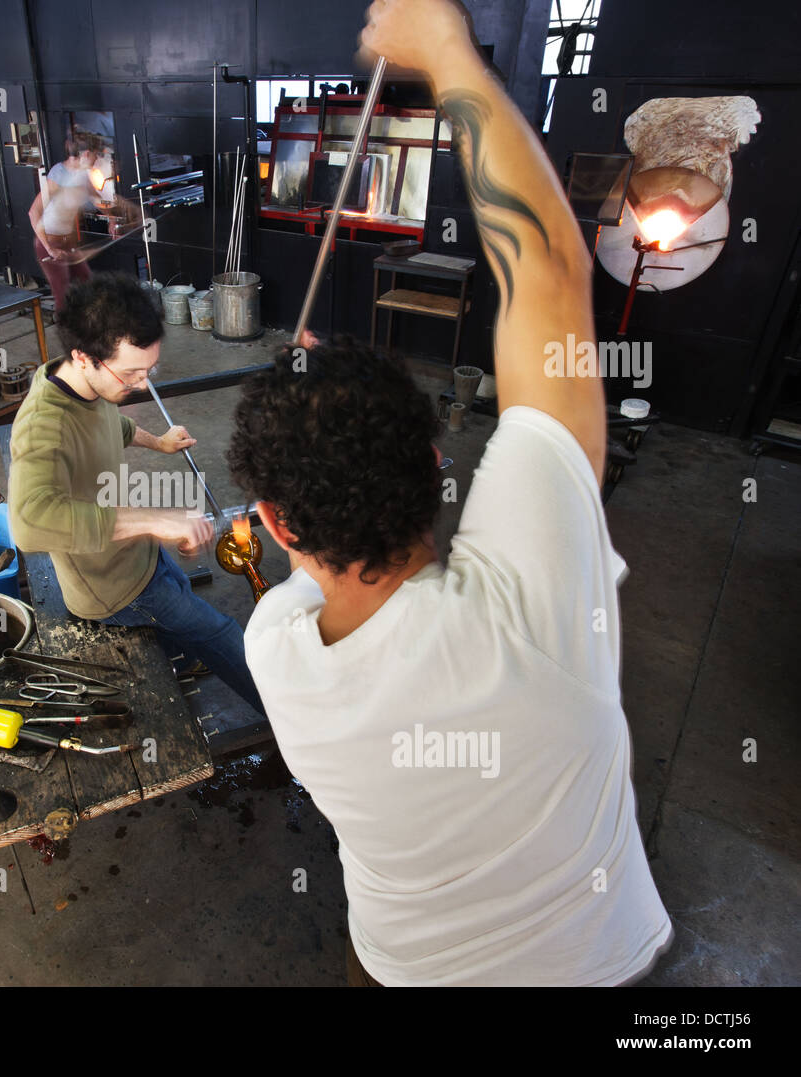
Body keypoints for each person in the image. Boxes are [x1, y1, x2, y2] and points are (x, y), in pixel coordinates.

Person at [229, 0, 671, 986]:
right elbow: (552, 277)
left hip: (400, 968)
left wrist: (306, 448)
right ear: (439, 465)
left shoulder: (275, 651)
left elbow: (307, 580)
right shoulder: (527, 601)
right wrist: (444, 52)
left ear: (273, 523)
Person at [8, 273, 264, 719]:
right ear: (83, 357)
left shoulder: (91, 385)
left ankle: (177, 660)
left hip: (138, 557)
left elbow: (115, 427)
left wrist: (158, 442)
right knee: (219, 631)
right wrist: (155, 520)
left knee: (180, 589)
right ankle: (294, 724)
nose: (142, 384)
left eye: (149, 370)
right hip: (112, 588)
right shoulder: (43, 425)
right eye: (131, 373)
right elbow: (29, 523)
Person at [28, 136, 127, 313]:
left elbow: (96, 199)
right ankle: (69, 334)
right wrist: (50, 249)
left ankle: (87, 329)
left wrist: (112, 219)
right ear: (86, 153)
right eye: (95, 155)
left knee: (85, 281)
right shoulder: (58, 175)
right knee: (63, 293)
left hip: (67, 242)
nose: (97, 159)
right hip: (50, 242)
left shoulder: (83, 174)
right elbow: (33, 212)